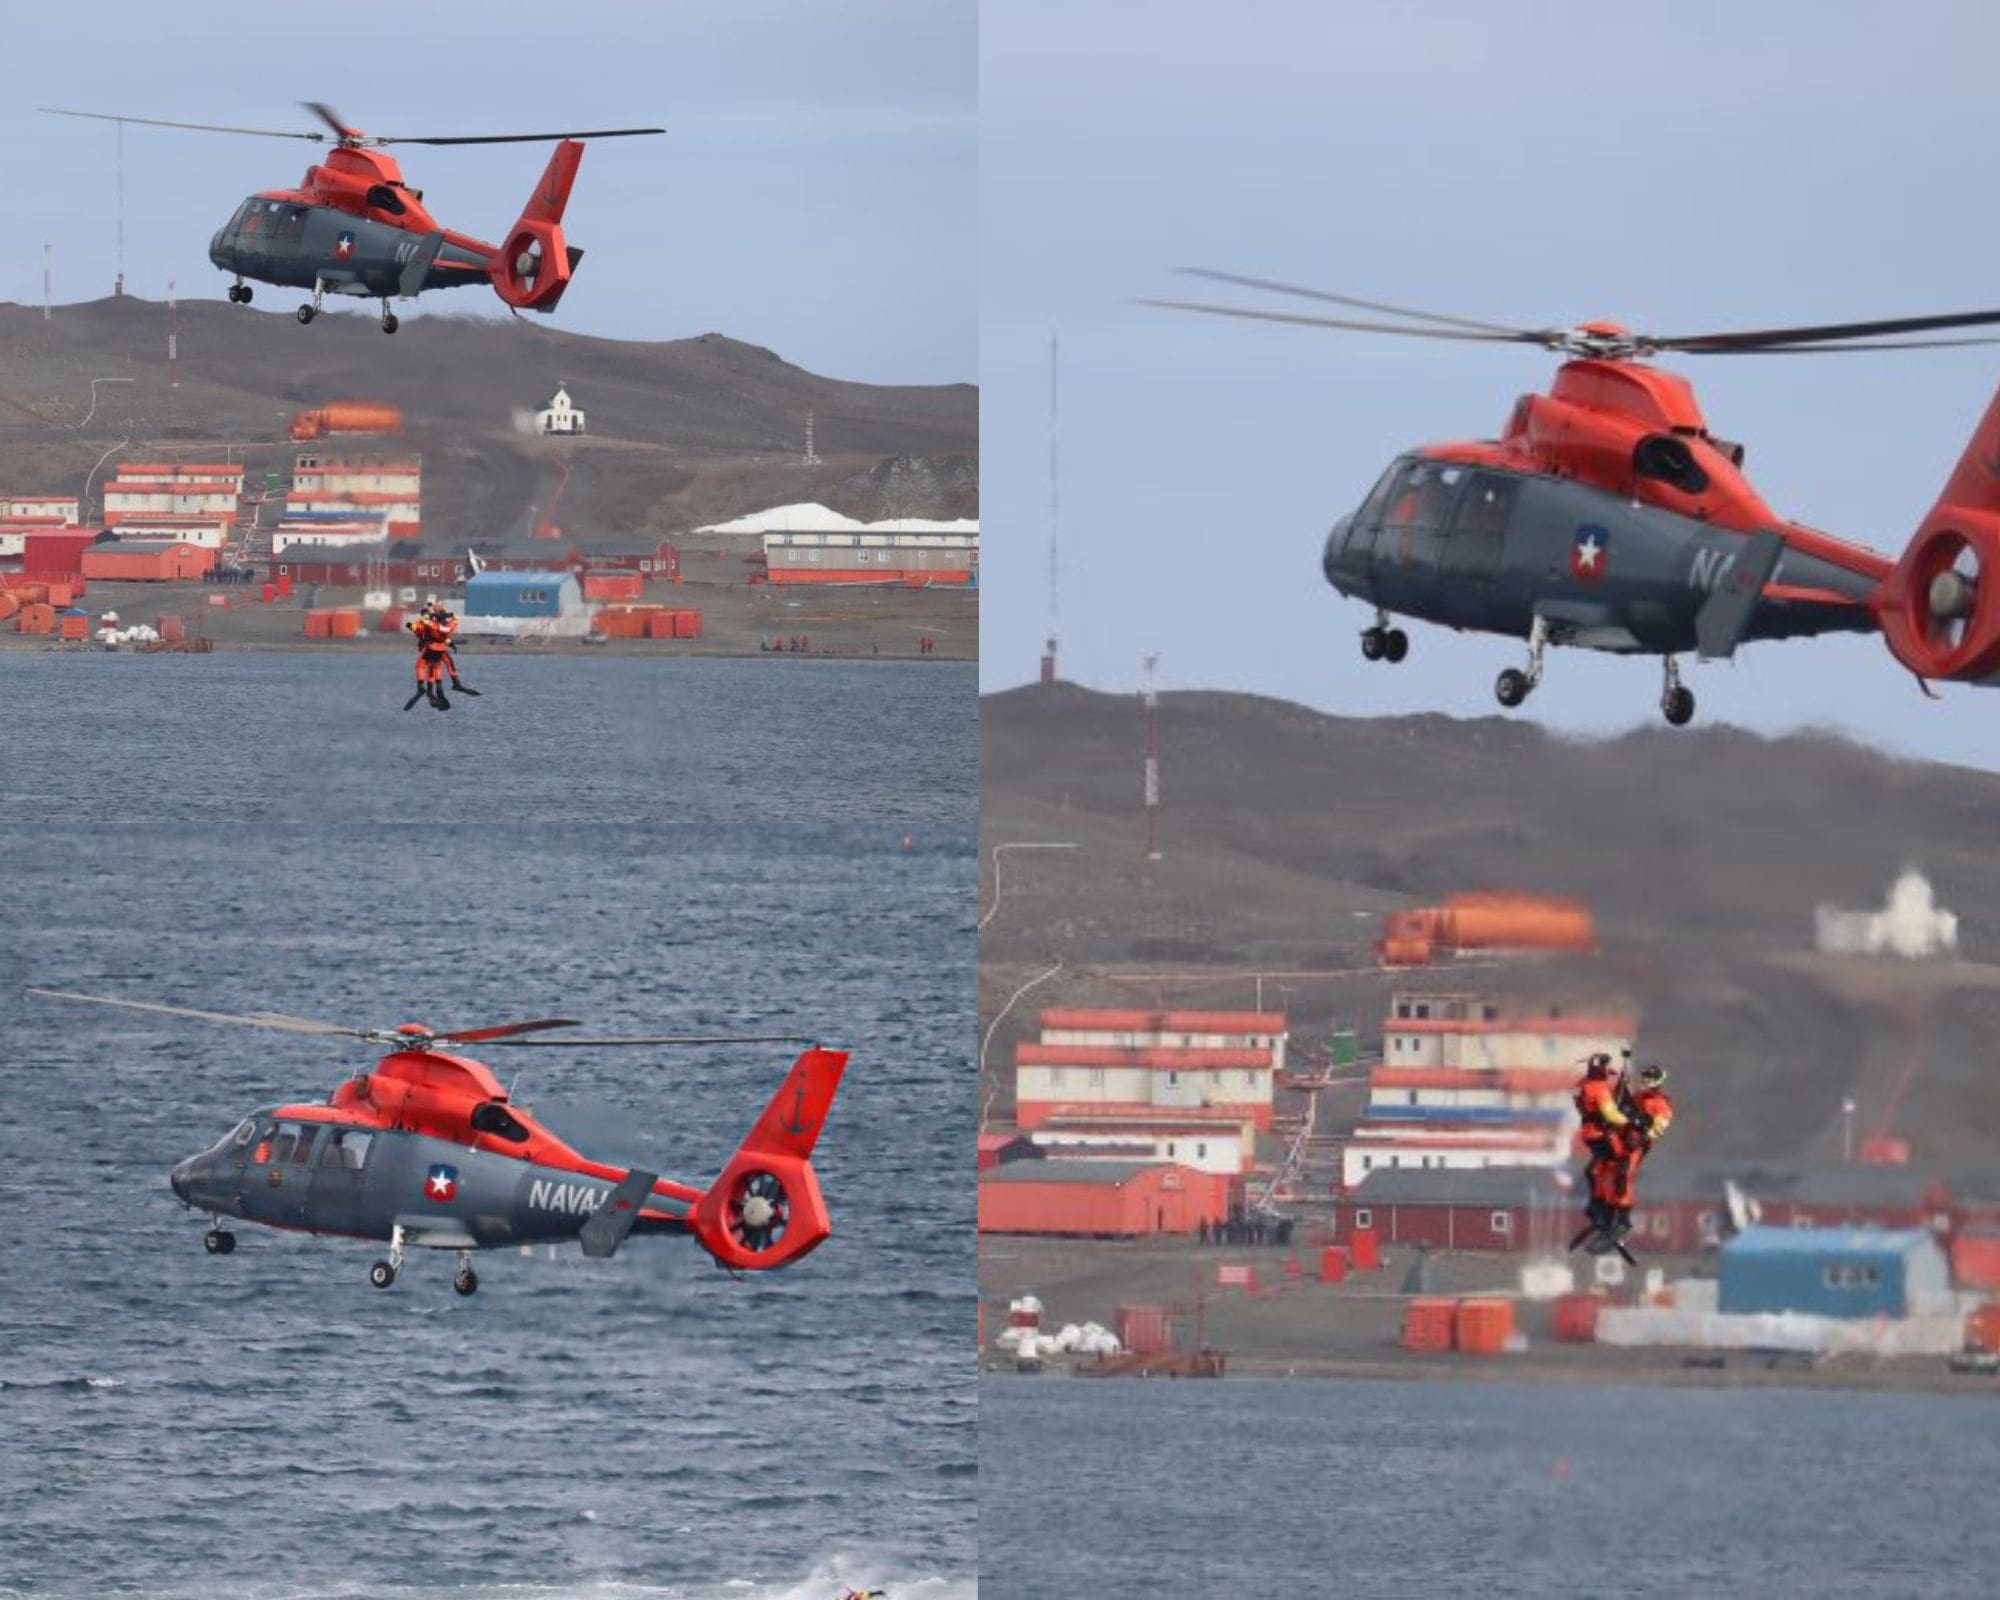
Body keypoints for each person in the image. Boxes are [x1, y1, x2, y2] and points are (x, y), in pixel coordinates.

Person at [1572, 1052, 1635, 1240]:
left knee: (1598, 1168)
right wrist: (1629, 1121)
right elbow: (1611, 1114)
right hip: (1601, 1133)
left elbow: (1585, 1100)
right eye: (1606, 1069)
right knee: (1621, 1165)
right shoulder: (1599, 1089)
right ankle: (1617, 1214)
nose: (1608, 1072)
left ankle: (1597, 1208)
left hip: (1588, 1133)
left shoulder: (1582, 1084)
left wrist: (1617, 1082)